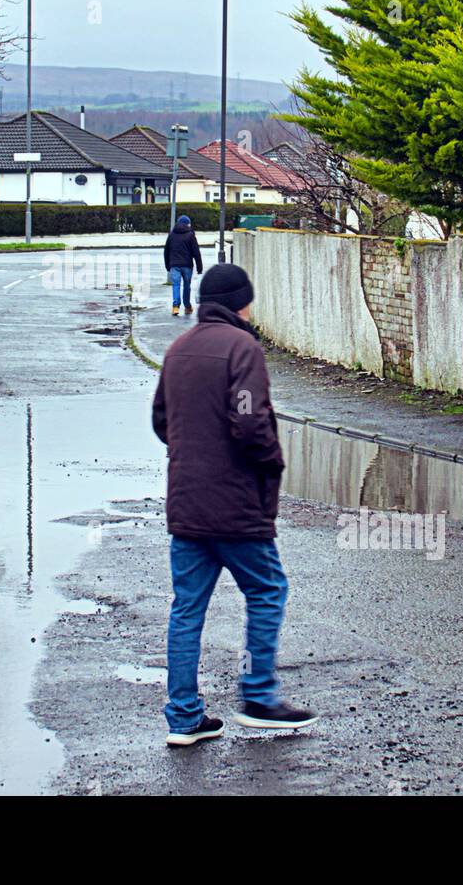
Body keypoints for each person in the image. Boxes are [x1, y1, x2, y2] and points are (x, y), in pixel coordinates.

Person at [151, 262, 314, 747]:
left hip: (186, 503)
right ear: (240, 301)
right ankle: (260, 697)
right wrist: (271, 465)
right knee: (267, 592)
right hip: (237, 504)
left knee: (187, 608)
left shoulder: (179, 349)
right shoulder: (243, 348)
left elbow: (161, 419)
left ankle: (184, 718)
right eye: (249, 298)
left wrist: (192, 449)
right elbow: (249, 422)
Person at [163, 214, 203, 316]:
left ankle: (175, 307)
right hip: (187, 265)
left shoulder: (171, 235)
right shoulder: (190, 235)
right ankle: (187, 307)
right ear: (187, 224)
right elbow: (196, 252)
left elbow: (166, 251)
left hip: (174, 265)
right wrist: (199, 267)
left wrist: (168, 265)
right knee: (186, 286)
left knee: (176, 285)